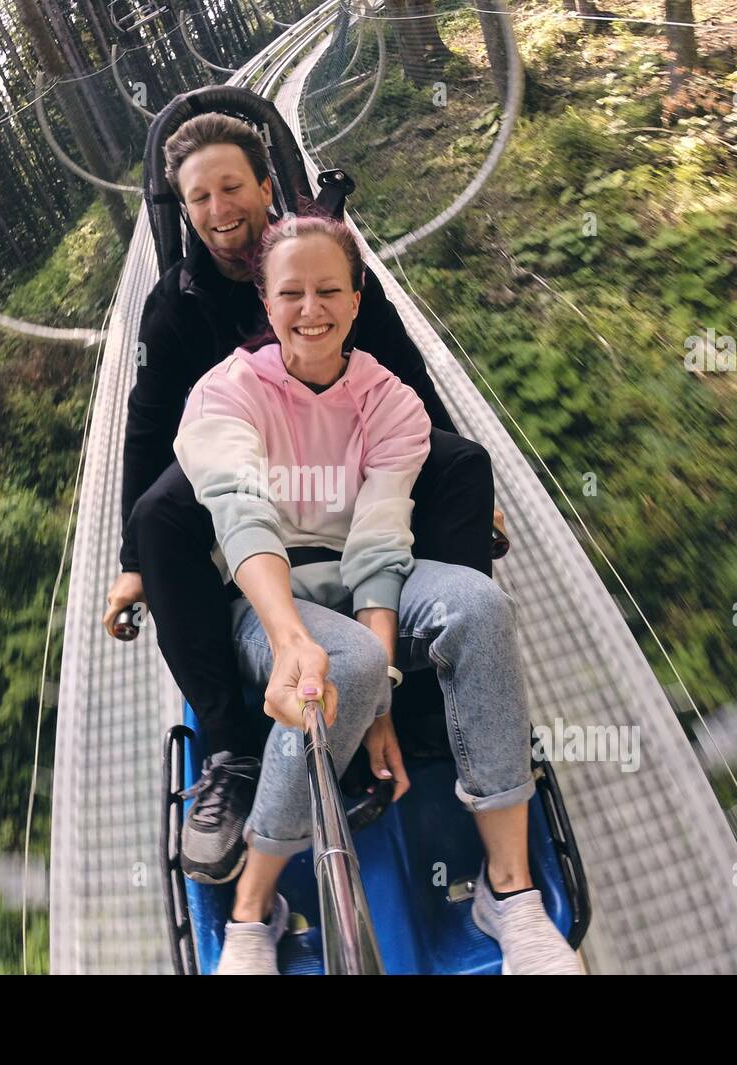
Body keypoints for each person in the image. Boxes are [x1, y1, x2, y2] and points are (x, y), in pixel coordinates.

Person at [173, 213, 582, 976]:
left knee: (477, 607)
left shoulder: (390, 401)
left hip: (354, 578)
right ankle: (254, 909)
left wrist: (385, 702)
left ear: (357, 298)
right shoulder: (224, 394)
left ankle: (510, 890)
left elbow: (381, 542)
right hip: (267, 594)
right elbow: (241, 516)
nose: (310, 309)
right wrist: (293, 637)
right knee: (344, 663)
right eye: (291, 292)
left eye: (329, 289)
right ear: (267, 304)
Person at [102, 112, 503, 885]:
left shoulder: (323, 265)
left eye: (231, 187)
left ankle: (422, 694)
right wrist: (130, 561)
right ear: (183, 212)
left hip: (346, 446)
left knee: (460, 463)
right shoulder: (175, 305)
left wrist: (459, 472)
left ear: (265, 187)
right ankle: (232, 749)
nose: (219, 210)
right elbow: (149, 430)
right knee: (159, 514)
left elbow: (403, 371)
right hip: (240, 464)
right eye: (199, 198)